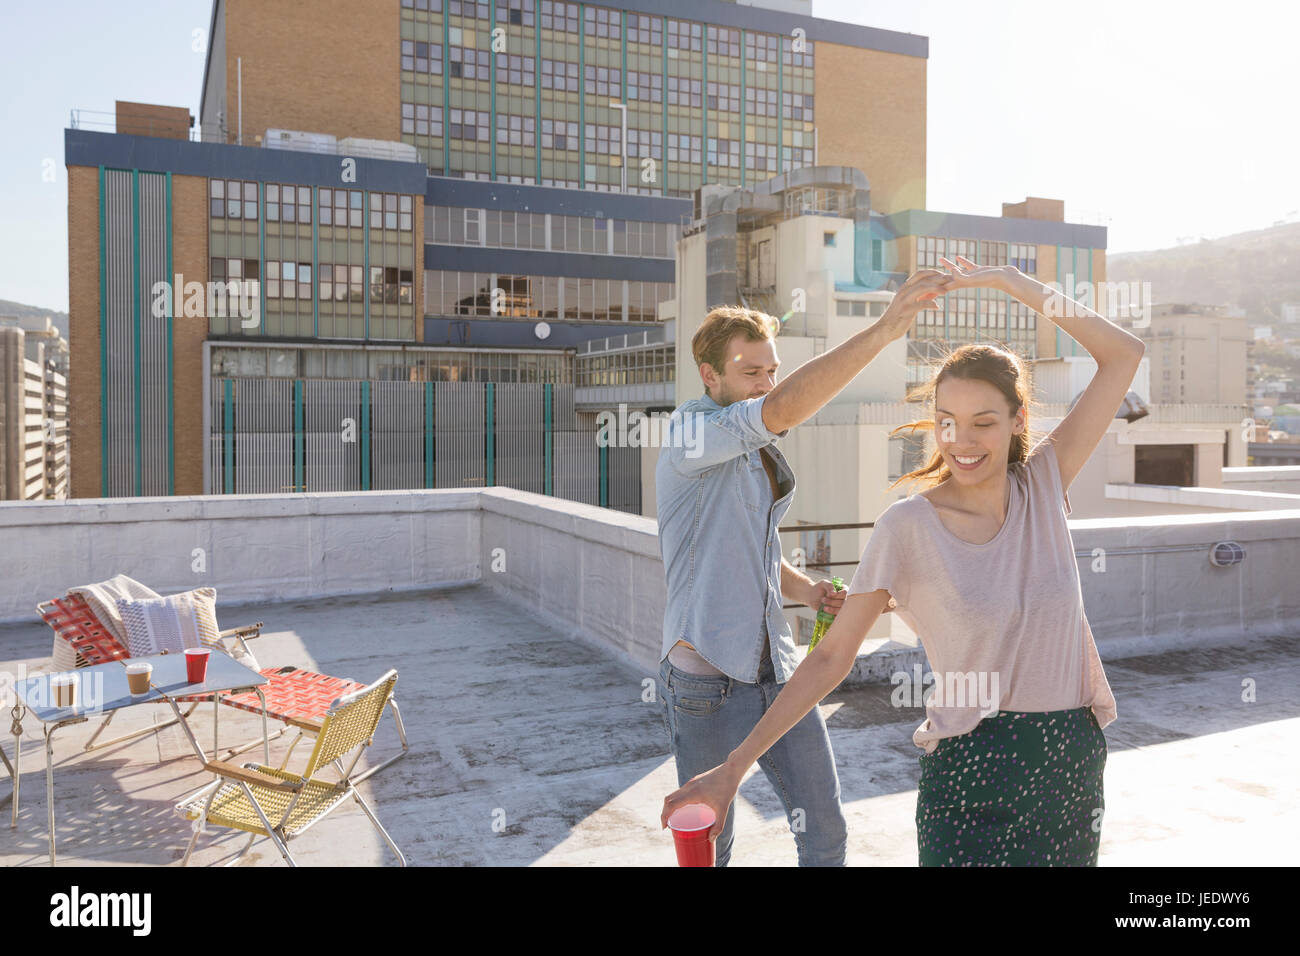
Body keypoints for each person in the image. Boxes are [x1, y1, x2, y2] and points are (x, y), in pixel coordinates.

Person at [661, 254, 1144, 866]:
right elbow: (832, 657)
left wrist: (1011, 283)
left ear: (1018, 421)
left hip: (1068, 769)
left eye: (983, 423)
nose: (962, 441)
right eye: (948, 422)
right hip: (967, 778)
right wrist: (732, 771)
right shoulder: (907, 526)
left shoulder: (1043, 484)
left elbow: (1123, 354)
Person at [655, 273, 951, 866]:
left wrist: (808, 590)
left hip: (776, 668)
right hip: (706, 680)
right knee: (711, 841)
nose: (766, 384)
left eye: (771, 370)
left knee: (824, 830)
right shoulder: (691, 434)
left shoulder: (750, 449)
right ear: (709, 376)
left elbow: (757, 547)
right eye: (750, 373)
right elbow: (785, 407)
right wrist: (885, 331)